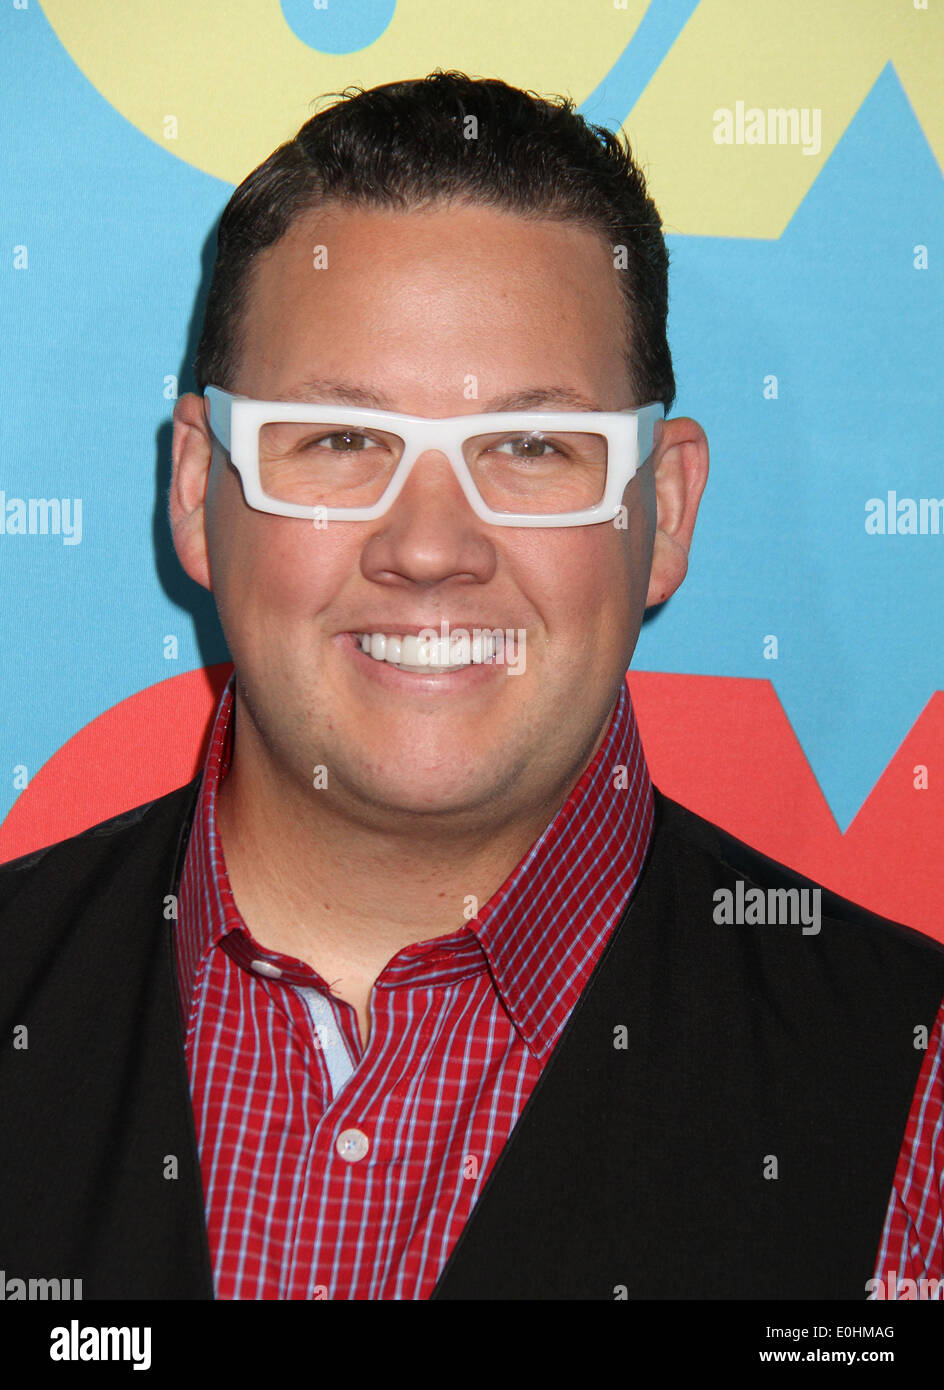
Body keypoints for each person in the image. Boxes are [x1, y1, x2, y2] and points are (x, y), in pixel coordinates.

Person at [1, 71, 942, 1302]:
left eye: (532, 447)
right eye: (340, 441)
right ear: (195, 491)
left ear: (659, 511)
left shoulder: (910, 1095)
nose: (429, 544)